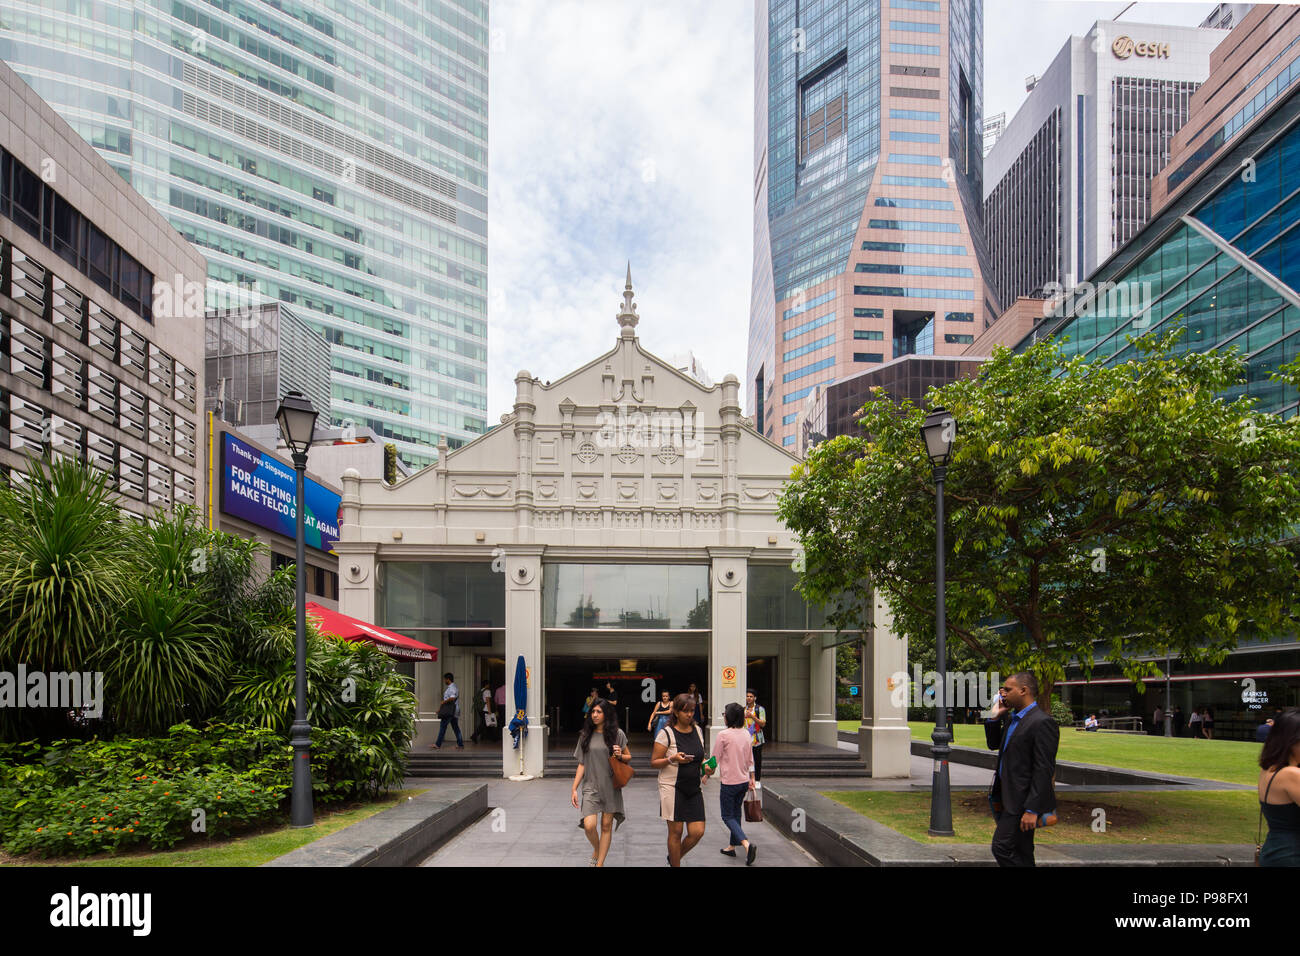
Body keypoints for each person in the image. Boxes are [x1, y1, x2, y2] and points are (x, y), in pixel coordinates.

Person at [983, 672, 1059, 867]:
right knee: (1022, 851)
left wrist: (1032, 809)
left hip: (1022, 801)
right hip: (1007, 796)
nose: (1003, 693)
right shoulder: (1012, 718)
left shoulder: (1042, 722)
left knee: (1001, 847)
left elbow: (1044, 768)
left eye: (1007, 689)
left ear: (1023, 690)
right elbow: (994, 744)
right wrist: (994, 718)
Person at [652, 692, 711, 866]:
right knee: (676, 832)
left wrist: (707, 768)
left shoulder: (698, 731)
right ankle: (676, 862)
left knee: (697, 831)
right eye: (685, 711)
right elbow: (654, 762)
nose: (690, 714)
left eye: (692, 710)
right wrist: (673, 758)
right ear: (676, 712)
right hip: (672, 787)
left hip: (693, 788)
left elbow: (701, 758)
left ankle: (674, 857)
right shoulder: (666, 733)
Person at [571, 699, 630, 867]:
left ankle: (600, 863)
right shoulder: (585, 735)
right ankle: (597, 849)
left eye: (599, 712)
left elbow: (628, 757)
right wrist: (574, 788)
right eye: (593, 712)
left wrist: (619, 755)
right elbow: (582, 763)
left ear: (606, 714)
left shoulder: (617, 734)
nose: (595, 715)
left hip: (611, 786)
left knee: (606, 826)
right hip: (590, 786)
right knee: (589, 826)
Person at [714, 702, 757, 865]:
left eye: (725, 714)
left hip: (729, 782)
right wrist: (752, 777)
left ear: (730, 717)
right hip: (743, 781)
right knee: (736, 813)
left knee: (727, 816)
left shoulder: (723, 735)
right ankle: (732, 847)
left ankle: (746, 844)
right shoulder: (746, 734)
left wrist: (704, 774)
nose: (724, 716)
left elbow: (714, 759)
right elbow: (750, 759)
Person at [1257, 709, 1300, 867]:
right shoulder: (1292, 775)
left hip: (1275, 851)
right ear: (1292, 741)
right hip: (1292, 855)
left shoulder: (1269, 769)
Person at [431, 672, 463, 749]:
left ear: (448, 679)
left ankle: (438, 744)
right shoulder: (452, 687)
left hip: (450, 711)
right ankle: (460, 744)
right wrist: (440, 709)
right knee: (455, 727)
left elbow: (452, 698)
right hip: (452, 711)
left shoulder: (452, 688)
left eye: (445, 679)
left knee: (443, 727)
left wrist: (443, 702)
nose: (444, 681)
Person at [745, 689, 767, 781]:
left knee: (757, 760)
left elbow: (763, 723)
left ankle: (757, 780)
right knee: (746, 760)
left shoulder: (760, 709)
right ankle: (747, 778)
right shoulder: (743, 709)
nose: (749, 698)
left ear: (755, 698)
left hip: (757, 739)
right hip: (746, 739)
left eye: (751, 696)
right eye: (747, 696)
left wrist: (753, 717)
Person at [470, 679, 493, 744]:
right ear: (487, 684)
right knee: (484, 724)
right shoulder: (487, 691)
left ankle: (491, 737)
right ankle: (474, 736)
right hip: (485, 709)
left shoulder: (481, 690)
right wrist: (489, 711)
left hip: (480, 709)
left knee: (485, 724)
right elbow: (488, 701)